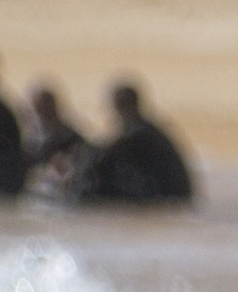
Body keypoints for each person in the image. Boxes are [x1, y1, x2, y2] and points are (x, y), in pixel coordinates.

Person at [36, 77, 190, 205]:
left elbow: (107, 155)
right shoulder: (145, 130)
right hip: (170, 193)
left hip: (170, 196)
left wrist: (72, 168)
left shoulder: (141, 134)